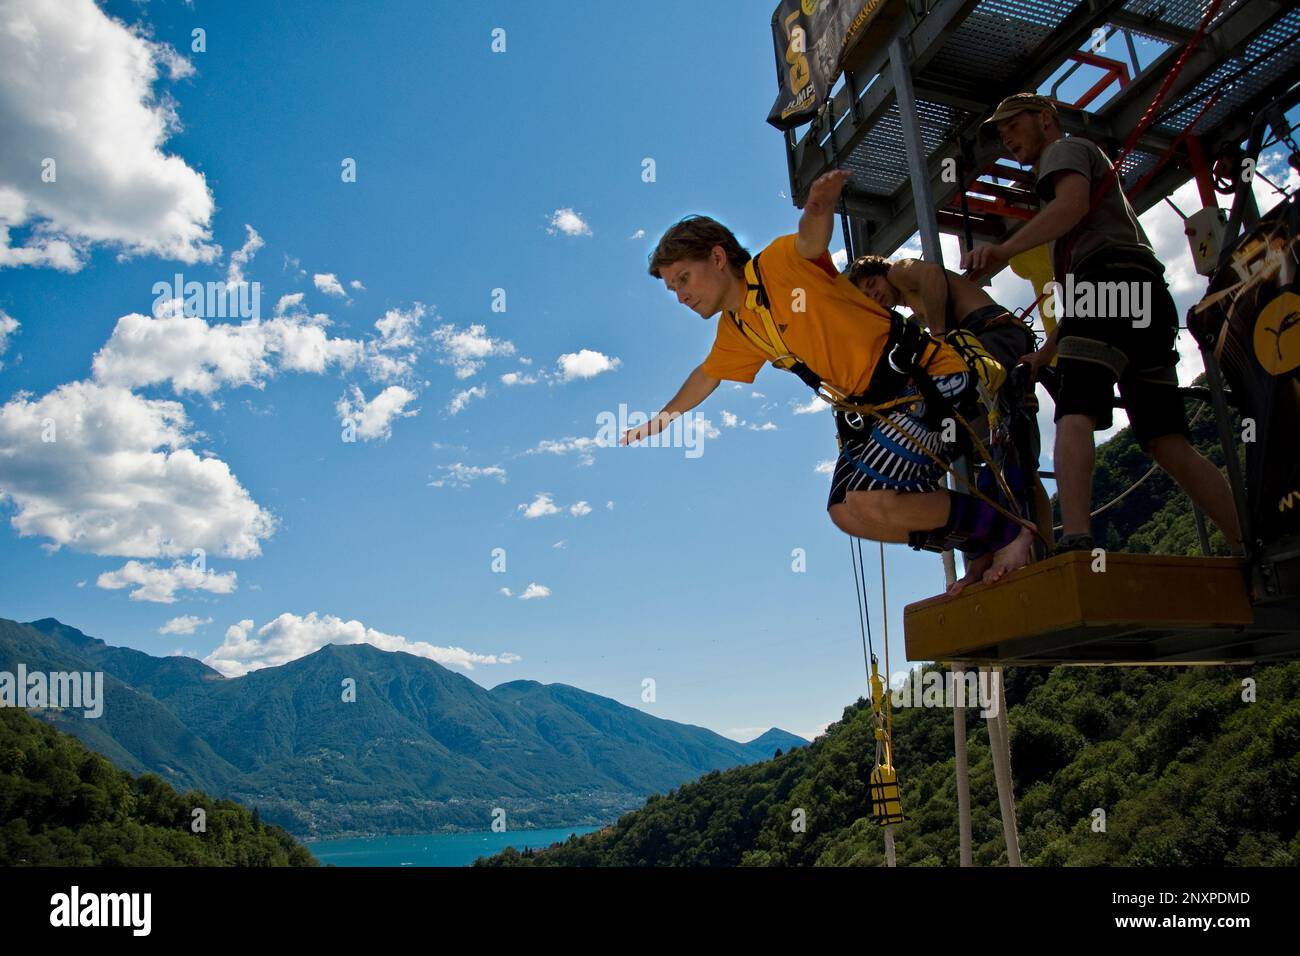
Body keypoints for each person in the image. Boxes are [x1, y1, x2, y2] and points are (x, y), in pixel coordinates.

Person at [622, 168, 1038, 585]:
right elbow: (705, 375)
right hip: (880, 411)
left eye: (683, 279)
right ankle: (981, 541)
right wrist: (661, 419)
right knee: (845, 511)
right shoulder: (738, 328)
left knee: (868, 497)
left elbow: (811, 240)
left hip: (930, 381)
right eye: (672, 288)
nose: (681, 296)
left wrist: (819, 204)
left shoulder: (779, 264)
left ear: (716, 258)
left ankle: (1007, 528)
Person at [961, 93, 1241, 552]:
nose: (1007, 137)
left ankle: (1075, 540)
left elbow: (1070, 207)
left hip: (1107, 280)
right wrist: (1047, 351)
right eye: (1001, 132)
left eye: (1013, 124)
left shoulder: (1064, 151)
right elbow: (1088, 306)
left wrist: (1003, 250)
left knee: (1075, 410)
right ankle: (1246, 543)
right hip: (1142, 294)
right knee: (1165, 439)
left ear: (1046, 119)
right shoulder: (1088, 198)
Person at [845, 254, 1051, 589]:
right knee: (986, 454)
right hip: (977, 349)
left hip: (990, 337)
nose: (874, 295)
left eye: (872, 285)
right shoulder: (912, 314)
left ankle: (1031, 548)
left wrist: (940, 335)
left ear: (882, 273)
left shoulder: (900, 272)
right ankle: (984, 551)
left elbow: (932, 277)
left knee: (1009, 445)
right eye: (865, 296)